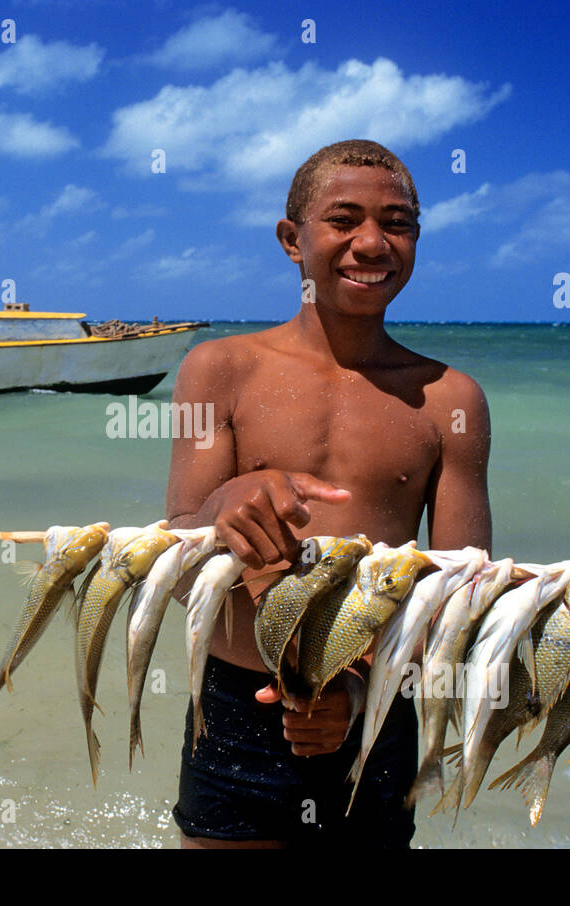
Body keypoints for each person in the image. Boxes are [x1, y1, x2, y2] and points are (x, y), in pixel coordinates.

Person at [164, 140, 492, 848]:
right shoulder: (214, 370)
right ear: (292, 240)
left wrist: (357, 685)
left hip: (375, 709)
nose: (371, 242)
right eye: (343, 219)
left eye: (397, 222)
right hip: (235, 705)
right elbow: (179, 548)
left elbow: (460, 595)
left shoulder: (449, 400)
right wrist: (224, 506)